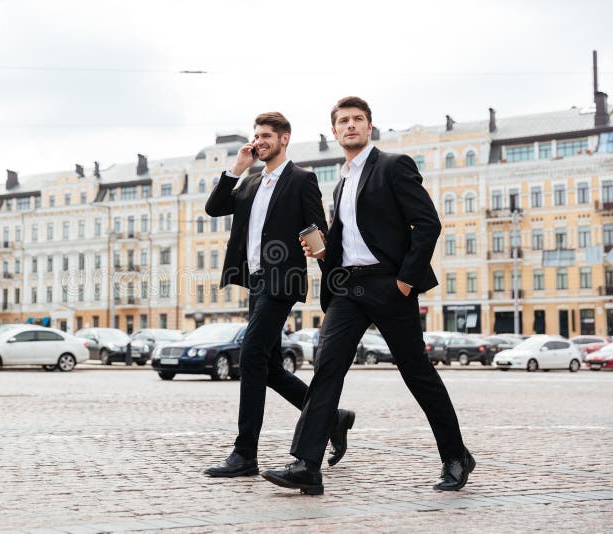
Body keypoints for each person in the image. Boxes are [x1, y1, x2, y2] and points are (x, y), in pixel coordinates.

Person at [261, 97, 473, 495]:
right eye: (343, 121)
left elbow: (427, 224)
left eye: (358, 119)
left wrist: (405, 283)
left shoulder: (393, 165)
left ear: (369, 127)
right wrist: (324, 253)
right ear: (336, 131)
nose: (351, 126)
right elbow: (348, 244)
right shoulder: (341, 183)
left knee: (417, 374)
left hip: (389, 285)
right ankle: (307, 464)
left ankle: (456, 456)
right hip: (347, 289)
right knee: (326, 369)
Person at [203, 112, 355, 478]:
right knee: (269, 367)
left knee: (251, 354)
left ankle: (245, 454)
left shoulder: (302, 179)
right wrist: (238, 167)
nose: (260, 142)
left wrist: (322, 257)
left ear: (284, 139)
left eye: (267, 136)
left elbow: (316, 227)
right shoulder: (250, 182)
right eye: (257, 136)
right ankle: (332, 418)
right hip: (254, 281)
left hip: (281, 279)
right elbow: (214, 208)